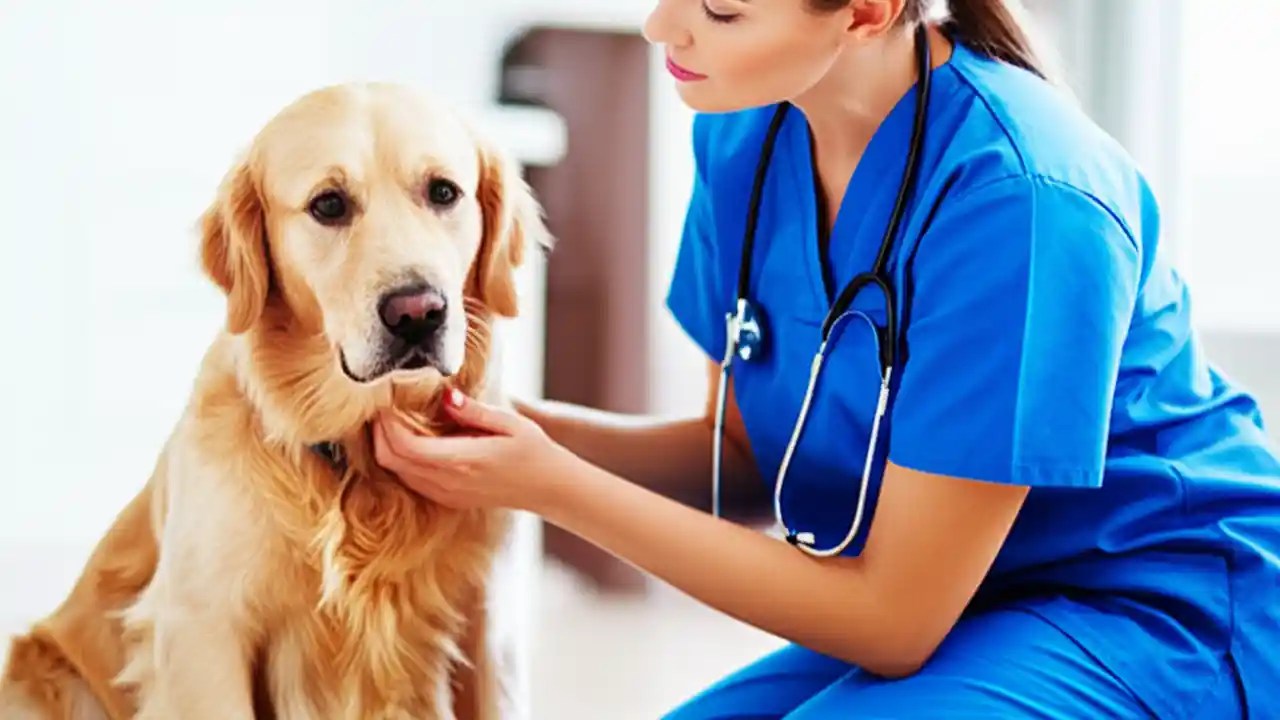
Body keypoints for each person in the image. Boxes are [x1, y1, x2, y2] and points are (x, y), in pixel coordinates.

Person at [373, 0, 1280, 716]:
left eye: (721, 10)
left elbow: (893, 623)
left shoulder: (1025, 200)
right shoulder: (745, 133)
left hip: (1157, 603)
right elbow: (744, 464)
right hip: (974, 602)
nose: (661, 25)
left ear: (867, 11)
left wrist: (550, 488)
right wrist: (498, 427)